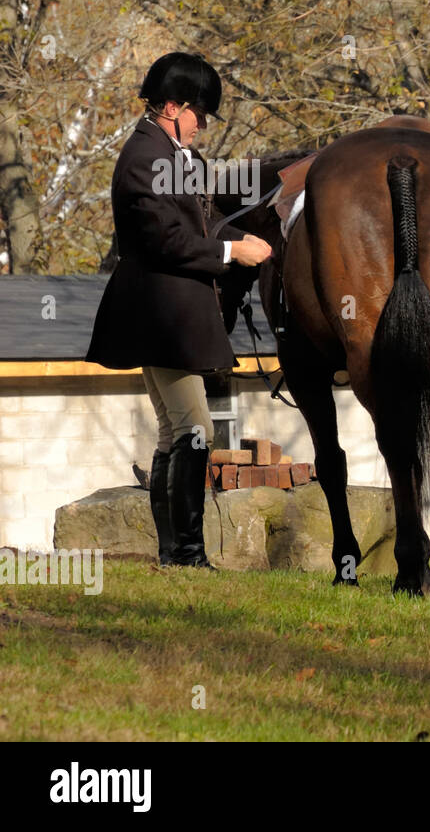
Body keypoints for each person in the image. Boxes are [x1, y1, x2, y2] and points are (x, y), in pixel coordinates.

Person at [86, 52, 273, 568]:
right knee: (195, 428)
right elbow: (166, 240)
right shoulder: (145, 158)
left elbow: (204, 223)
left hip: (175, 307)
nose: (204, 126)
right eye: (199, 114)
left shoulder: (177, 157)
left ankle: (174, 553)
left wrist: (246, 238)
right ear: (172, 106)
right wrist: (233, 254)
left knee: (174, 428)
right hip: (160, 310)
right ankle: (186, 554)